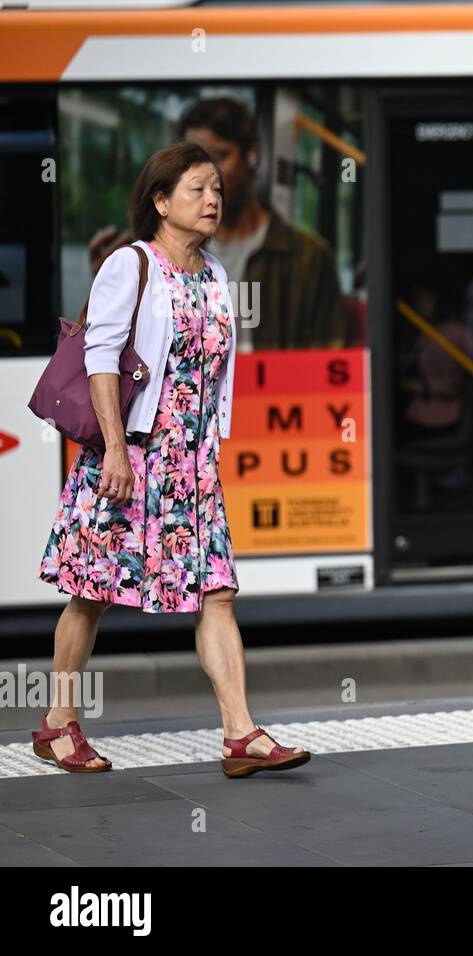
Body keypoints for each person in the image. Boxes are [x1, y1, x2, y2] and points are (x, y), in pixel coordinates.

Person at [35, 141, 310, 778]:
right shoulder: (128, 266)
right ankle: (58, 722)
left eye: (217, 188)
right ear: (161, 202)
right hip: (128, 459)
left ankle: (240, 734)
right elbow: (101, 358)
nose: (213, 199)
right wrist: (114, 451)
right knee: (91, 592)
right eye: (197, 189)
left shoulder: (214, 275)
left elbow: (215, 373)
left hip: (191, 466)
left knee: (218, 591)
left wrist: (212, 444)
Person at [89, 96, 349, 351]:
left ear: (251, 155)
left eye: (219, 157)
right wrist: (115, 290)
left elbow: (329, 365)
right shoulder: (156, 257)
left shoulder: (309, 259)